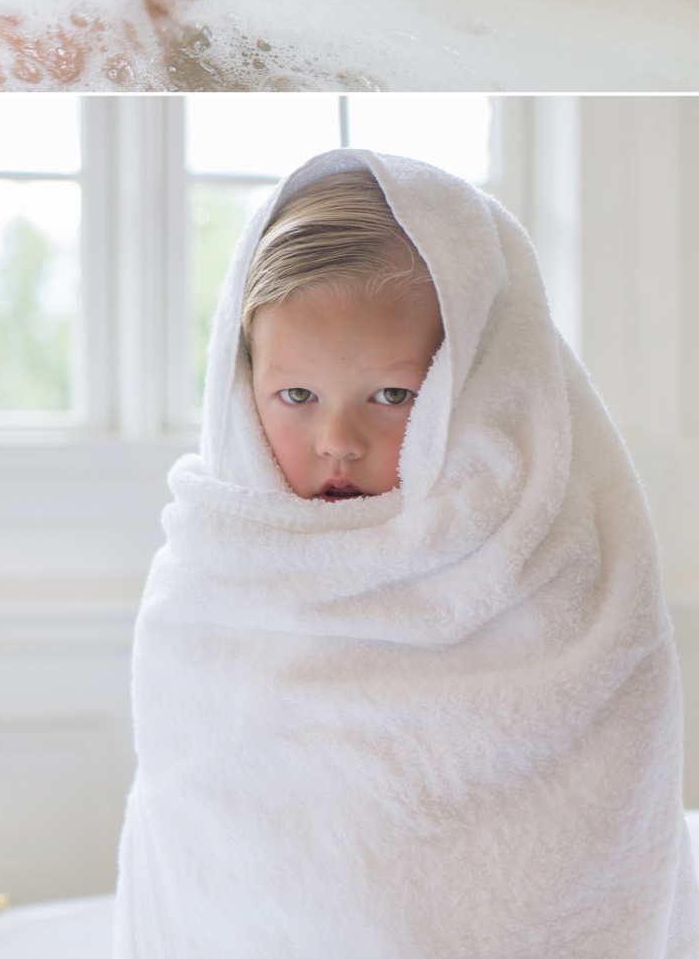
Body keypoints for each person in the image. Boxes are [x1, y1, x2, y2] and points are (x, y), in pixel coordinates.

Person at [114, 149, 699, 958]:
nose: (338, 442)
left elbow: (608, 837)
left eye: (393, 395)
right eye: (296, 396)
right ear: (239, 382)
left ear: (485, 387)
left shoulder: (566, 569)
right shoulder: (208, 582)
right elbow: (194, 869)